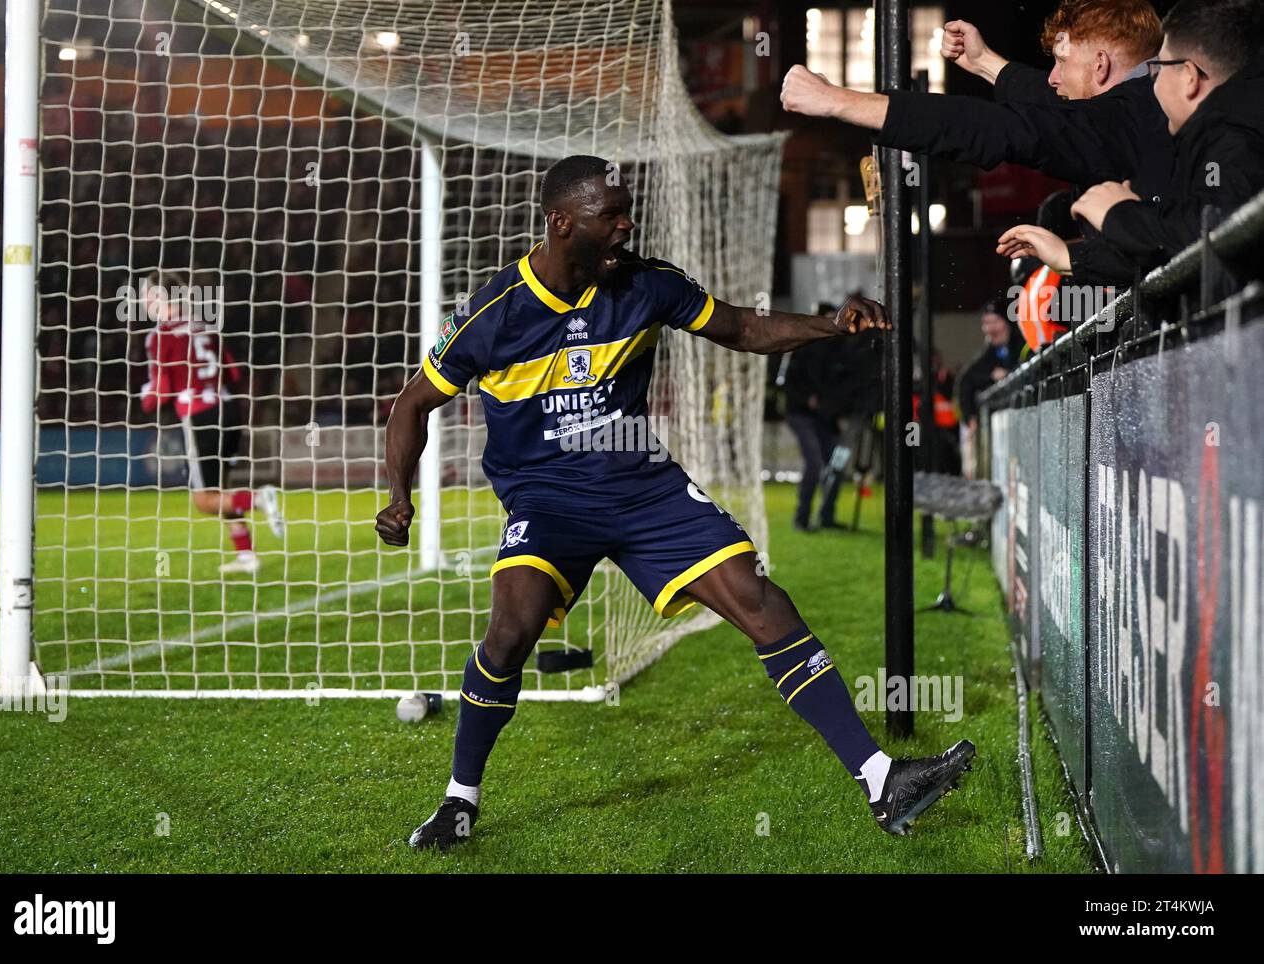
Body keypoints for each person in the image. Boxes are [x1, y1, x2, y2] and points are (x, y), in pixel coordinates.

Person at [376, 155, 975, 849]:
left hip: (643, 488)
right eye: (612, 215)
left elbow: (743, 329)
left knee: (761, 599)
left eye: (628, 211)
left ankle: (880, 778)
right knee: (511, 632)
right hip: (548, 496)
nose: (627, 224)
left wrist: (830, 325)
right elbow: (412, 403)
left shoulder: (648, 285)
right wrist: (398, 495)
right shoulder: (493, 312)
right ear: (562, 222)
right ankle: (459, 800)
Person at [780, 0, 1168, 287]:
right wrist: (984, 62)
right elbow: (1054, 113)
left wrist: (839, 101)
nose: (1052, 78)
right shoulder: (1144, 105)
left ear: (1100, 65)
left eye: (1060, 63)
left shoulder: (1135, 114)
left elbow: (1007, 129)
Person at [1071, 0, 1264, 270]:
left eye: (1158, 69)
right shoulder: (1226, 133)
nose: (1154, 83)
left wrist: (1123, 214)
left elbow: (1213, 230)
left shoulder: (1230, 140)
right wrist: (1074, 259)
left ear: (1189, 76)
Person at [139, 270, 284, 574]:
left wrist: (146, 398)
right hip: (228, 410)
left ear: (159, 297)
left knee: (205, 500)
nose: (141, 300)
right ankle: (246, 556)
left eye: (145, 293)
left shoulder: (160, 335)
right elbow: (233, 373)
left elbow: (161, 389)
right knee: (222, 489)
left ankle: (259, 497)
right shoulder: (205, 326)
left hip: (199, 414)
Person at [778, 312, 852, 531]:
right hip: (801, 415)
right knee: (815, 463)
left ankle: (827, 517)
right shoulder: (799, 347)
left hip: (827, 418)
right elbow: (785, 383)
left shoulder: (838, 349)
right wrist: (807, 398)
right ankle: (802, 519)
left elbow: (842, 383)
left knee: (838, 463)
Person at [956, 300, 1026, 425]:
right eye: (986, 323)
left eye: (995, 321)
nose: (991, 328)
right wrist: (969, 418)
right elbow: (966, 379)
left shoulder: (1023, 342)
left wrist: (1010, 374)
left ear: (1007, 322)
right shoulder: (989, 353)